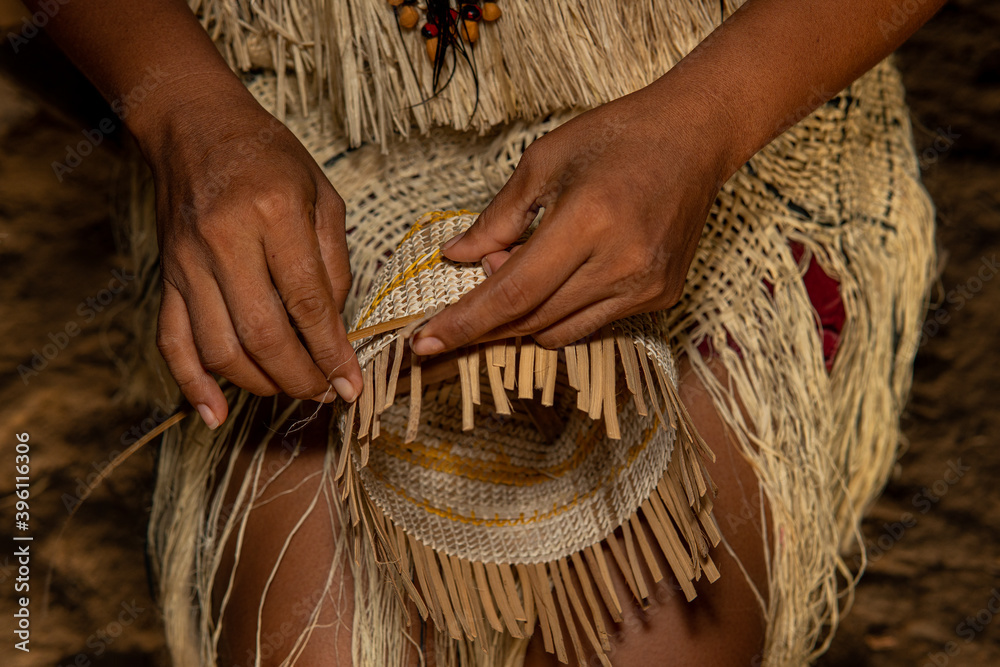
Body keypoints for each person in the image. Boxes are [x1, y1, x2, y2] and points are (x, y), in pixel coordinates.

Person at [31, 0, 943, 664]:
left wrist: (705, 124)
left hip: (719, 84)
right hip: (298, 110)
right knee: (323, 644)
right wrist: (185, 111)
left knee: (657, 625)